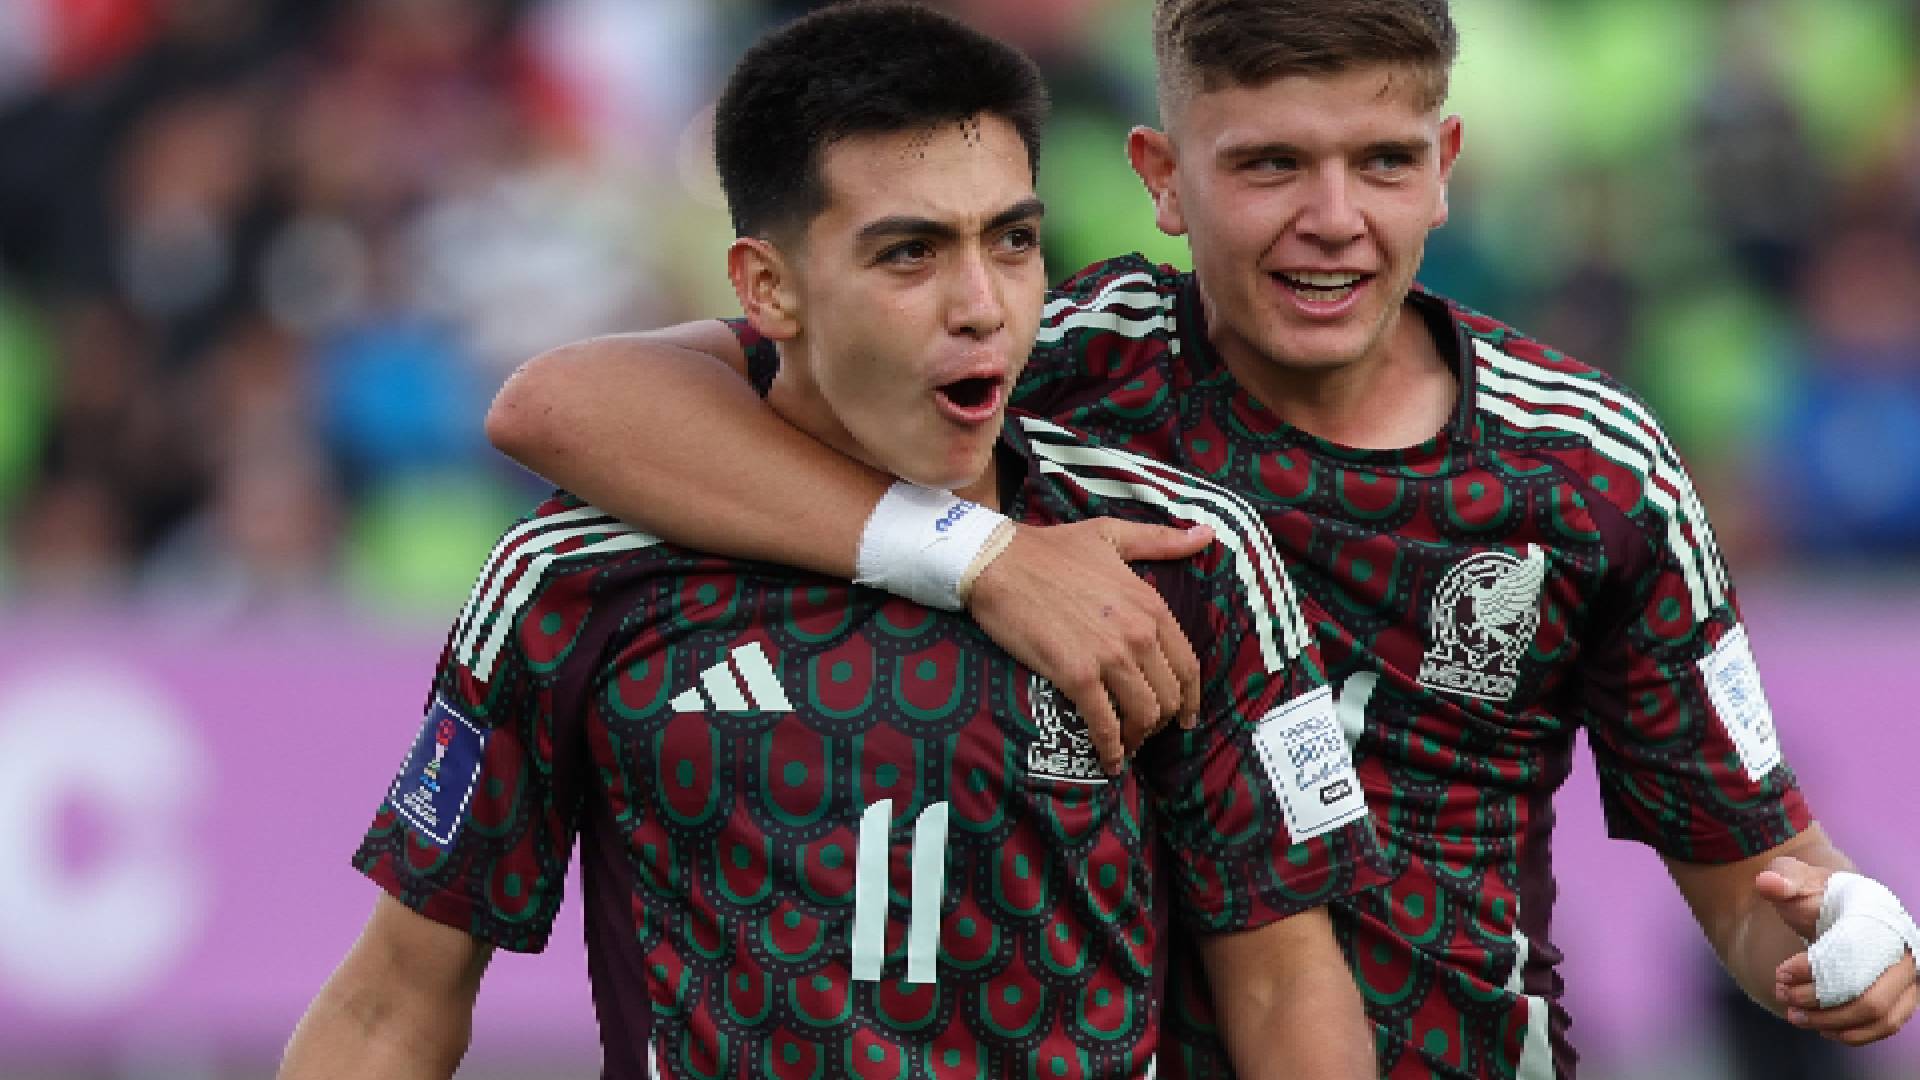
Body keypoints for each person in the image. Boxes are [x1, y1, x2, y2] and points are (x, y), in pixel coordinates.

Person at [483, 0, 1920, 1077]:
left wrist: (1827, 944)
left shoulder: (1592, 474)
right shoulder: (1052, 360)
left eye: (1381, 160)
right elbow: (568, 404)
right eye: (1271, 164)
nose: (1334, 220)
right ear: (1164, 176)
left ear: (1447, 165)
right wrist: (970, 552)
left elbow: (1758, 875)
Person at [279, 5, 1388, 1078]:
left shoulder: (1181, 555)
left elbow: (1285, 988)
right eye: (909, 254)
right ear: (769, 289)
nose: (981, 304)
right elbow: (394, 1001)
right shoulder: (581, 579)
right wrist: (979, 554)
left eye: (1011, 241)